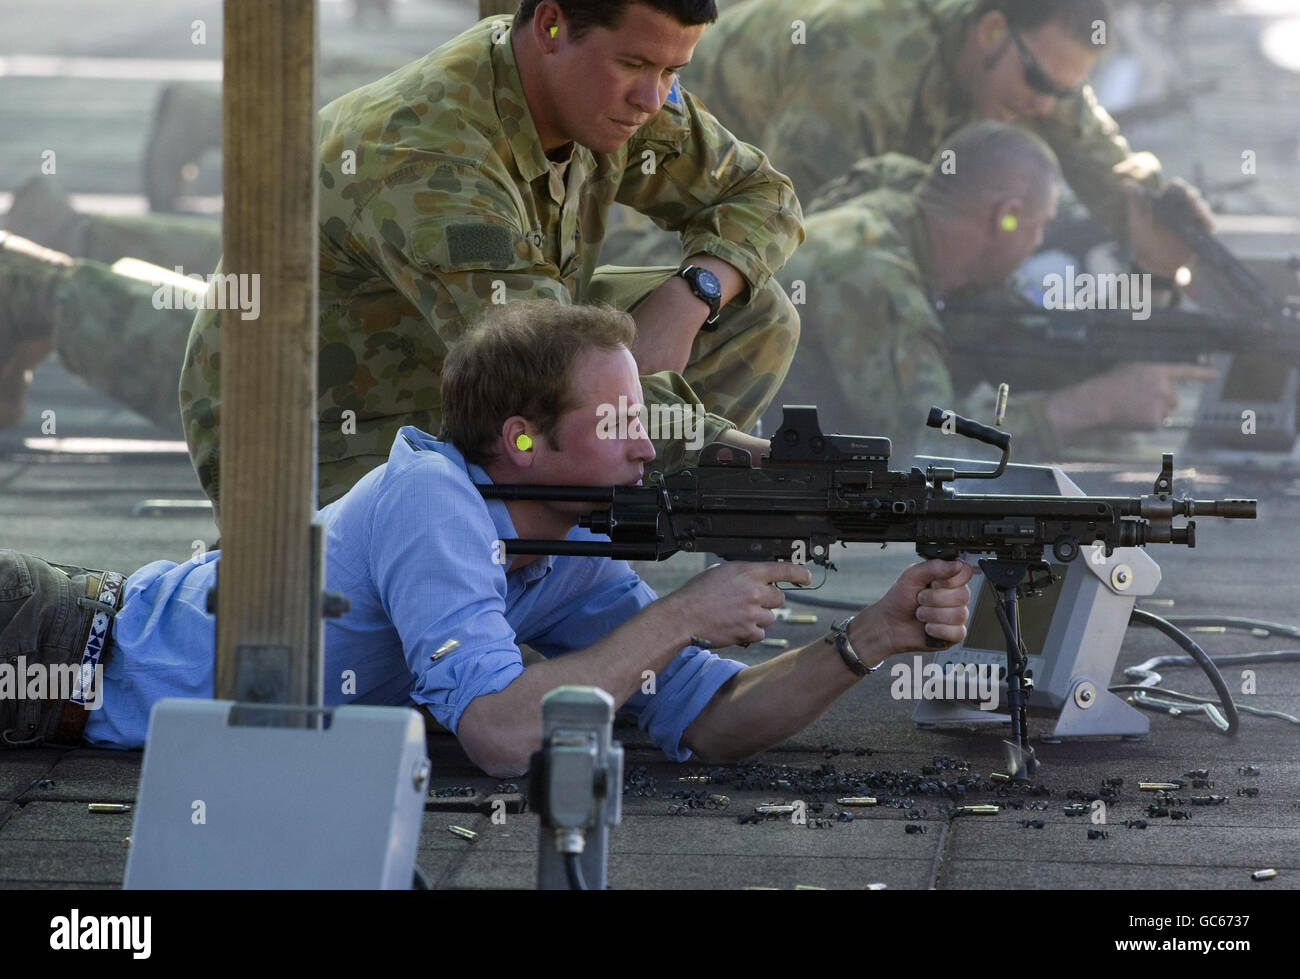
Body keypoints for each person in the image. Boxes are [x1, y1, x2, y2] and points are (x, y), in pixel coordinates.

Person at [0, 302, 972, 776]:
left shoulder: (562, 542)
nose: (647, 442)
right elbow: (503, 734)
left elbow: (706, 720)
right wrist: (684, 609)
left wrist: (868, 641)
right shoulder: (435, 501)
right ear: (520, 437)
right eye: (619, 419)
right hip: (45, 643)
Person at [179, 0, 804, 517]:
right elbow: (541, 371)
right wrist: (728, 451)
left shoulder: (594, 85)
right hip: (315, 438)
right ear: (552, 26)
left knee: (756, 308)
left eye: (672, 69)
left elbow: (764, 195)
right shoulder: (435, 159)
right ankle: (529, 565)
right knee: (560, 411)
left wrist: (693, 294)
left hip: (468, 369)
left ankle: (589, 534)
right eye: (635, 64)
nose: (652, 97)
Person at [668, 0, 1207, 278]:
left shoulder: (1027, 62)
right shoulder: (866, 68)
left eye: (1064, 91)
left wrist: (1156, 213)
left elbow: (1103, 160)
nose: (1046, 106)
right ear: (991, 31)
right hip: (663, 190)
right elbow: (803, 243)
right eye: (1041, 85)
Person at [770, 122, 1216, 460]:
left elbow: (1031, 352)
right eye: (1038, 226)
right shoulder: (868, 273)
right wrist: (1091, 406)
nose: (1039, 242)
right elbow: (927, 450)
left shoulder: (912, 211)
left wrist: (1156, 270)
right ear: (1006, 215)